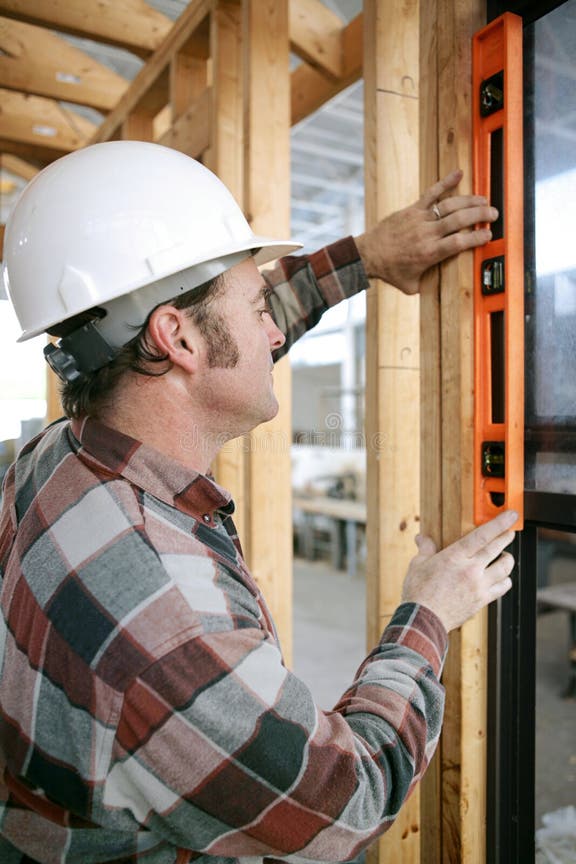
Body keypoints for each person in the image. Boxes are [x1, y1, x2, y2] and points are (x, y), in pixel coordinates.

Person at [0, 141, 514, 864]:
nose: (274, 331)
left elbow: (223, 339)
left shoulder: (54, 459)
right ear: (173, 338)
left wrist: (366, 256)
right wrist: (427, 614)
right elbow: (346, 800)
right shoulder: (164, 622)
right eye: (258, 307)